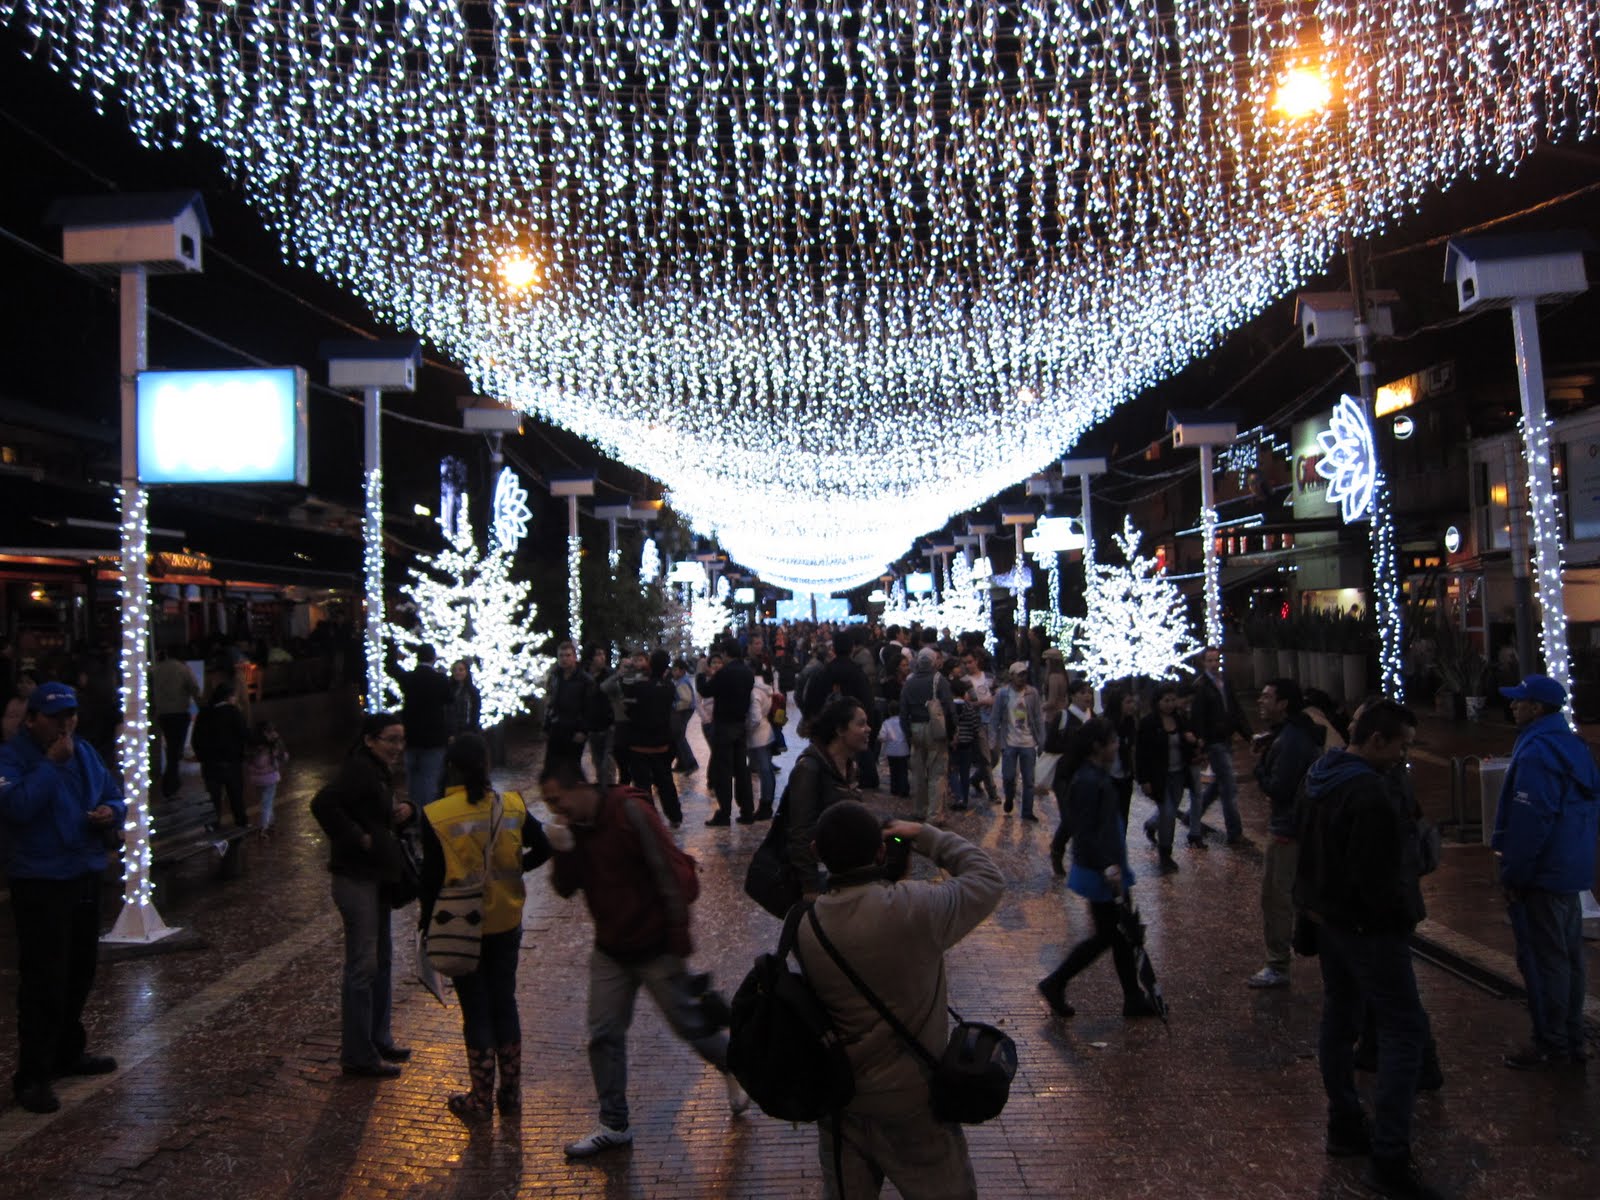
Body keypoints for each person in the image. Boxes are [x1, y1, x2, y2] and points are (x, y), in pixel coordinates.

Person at [540, 757, 749, 1158]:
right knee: (603, 1033)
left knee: (689, 1025)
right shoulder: (574, 831)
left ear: (579, 787)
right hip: (611, 948)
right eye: (548, 802)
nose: (555, 808)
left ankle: (732, 1064)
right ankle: (613, 1122)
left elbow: (667, 872)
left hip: (654, 945)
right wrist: (562, 852)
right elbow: (566, 889)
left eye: (557, 798)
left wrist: (677, 941)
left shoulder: (629, 811)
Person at [796, 801, 1004, 1199]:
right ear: (880, 851)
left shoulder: (805, 925)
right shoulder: (916, 908)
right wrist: (925, 835)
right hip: (915, 1103)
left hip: (843, 1104)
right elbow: (986, 878)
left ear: (817, 852)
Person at [1294, 701, 1441, 1200]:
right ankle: (1390, 1154)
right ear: (1378, 740)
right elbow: (1376, 878)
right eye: (1401, 746)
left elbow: (1306, 852)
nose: (1404, 756)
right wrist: (1394, 915)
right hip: (1368, 929)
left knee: (1339, 1019)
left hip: (1330, 921)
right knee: (1403, 1031)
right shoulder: (1369, 793)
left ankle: (1345, 1122)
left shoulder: (1321, 776)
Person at [0, 681, 126, 1114]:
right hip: (40, 879)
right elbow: (16, 808)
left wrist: (112, 811)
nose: (65, 724)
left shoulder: (84, 752)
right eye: (55, 717)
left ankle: (68, 1052)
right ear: (33, 719)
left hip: (83, 873)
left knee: (79, 971)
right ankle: (33, 1074)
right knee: (44, 981)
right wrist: (51, 766)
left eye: (70, 715)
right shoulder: (14, 757)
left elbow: (112, 792)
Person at [419, 734, 552, 1120]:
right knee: (504, 1001)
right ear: (487, 765)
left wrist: (427, 925)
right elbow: (544, 847)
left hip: (460, 925)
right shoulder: (511, 805)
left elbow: (430, 879)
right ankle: (510, 1095)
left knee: (475, 1010)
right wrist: (515, 872)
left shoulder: (437, 814)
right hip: (506, 919)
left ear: (451, 768)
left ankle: (479, 1099)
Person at [1492, 674, 1600, 1070]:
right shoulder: (1572, 746)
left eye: (1520, 701)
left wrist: (1514, 873)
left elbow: (1530, 820)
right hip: (1569, 870)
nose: (1513, 706)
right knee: (1568, 956)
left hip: (1543, 872)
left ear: (1537, 708)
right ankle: (1570, 1037)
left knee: (1546, 960)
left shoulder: (1538, 752)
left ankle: (1553, 1041)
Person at [309, 713, 416, 1078]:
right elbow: (323, 804)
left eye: (401, 740)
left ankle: (377, 1037)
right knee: (363, 965)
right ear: (370, 740)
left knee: (381, 960)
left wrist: (403, 812)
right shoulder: (359, 769)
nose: (397, 748)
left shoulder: (377, 769)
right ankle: (358, 1053)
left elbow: (374, 811)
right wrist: (359, 837)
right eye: (390, 739)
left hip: (378, 875)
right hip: (357, 877)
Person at [1037, 720, 1164, 1020]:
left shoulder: (1095, 777)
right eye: (1112, 742)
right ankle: (1056, 981)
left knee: (1120, 936)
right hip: (1101, 870)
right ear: (1097, 746)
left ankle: (1132, 997)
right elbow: (1085, 831)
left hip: (1109, 865)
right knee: (1109, 935)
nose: (1117, 746)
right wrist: (1107, 867)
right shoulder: (1087, 781)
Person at [1248, 678, 1324, 989]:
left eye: (1267, 697)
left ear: (1284, 704)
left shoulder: (1291, 740)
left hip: (1287, 831)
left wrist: (1259, 769)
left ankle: (1277, 963)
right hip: (1296, 827)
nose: (1260, 702)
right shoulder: (1290, 735)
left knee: (1276, 898)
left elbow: (1279, 788)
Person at [786, 695, 871, 899]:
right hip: (822, 880)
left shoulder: (850, 766)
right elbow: (800, 831)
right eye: (861, 724)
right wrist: (810, 886)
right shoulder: (809, 768)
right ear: (840, 730)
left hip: (847, 875)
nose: (868, 729)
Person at [1186, 647, 1252, 847]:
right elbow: (1198, 717)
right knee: (1228, 786)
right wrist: (1201, 743)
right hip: (1214, 742)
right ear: (1204, 663)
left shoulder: (1225, 682)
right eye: (1210, 661)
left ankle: (1191, 816)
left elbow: (1235, 709)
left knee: (1219, 785)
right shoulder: (1201, 686)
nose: (1214, 664)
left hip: (1225, 738)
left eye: (1216, 660)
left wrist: (1248, 735)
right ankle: (1235, 833)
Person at [1137, 683, 1197, 874]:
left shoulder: (1180, 720)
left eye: (1173, 700)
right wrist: (1144, 779)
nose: (1170, 704)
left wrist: (1192, 740)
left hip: (1178, 774)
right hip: (1159, 778)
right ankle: (1165, 854)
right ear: (1158, 702)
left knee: (1169, 811)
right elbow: (1142, 753)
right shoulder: (1149, 723)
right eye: (1166, 701)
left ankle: (1153, 826)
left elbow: (1189, 744)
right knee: (1169, 812)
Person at [623, 650, 685, 827]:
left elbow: (628, 706)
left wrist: (631, 672)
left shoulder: (640, 687)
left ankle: (649, 818)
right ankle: (675, 815)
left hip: (639, 744)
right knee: (665, 782)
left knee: (642, 785)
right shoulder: (669, 687)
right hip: (662, 743)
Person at [698, 640, 756, 825]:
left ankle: (724, 813)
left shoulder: (725, 673)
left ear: (725, 653)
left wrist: (700, 674)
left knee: (723, 771)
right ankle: (747, 810)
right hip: (740, 725)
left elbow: (706, 691)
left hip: (724, 726)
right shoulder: (747, 672)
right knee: (741, 769)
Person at [1047, 676, 1097, 874]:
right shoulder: (1063, 717)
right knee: (1069, 818)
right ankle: (1057, 850)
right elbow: (1049, 744)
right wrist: (1074, 746)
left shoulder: (1093, 717)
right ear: (1072, 696)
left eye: (1089, 692)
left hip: (1086, 776)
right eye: (1083, 692)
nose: (1087, 696)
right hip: (1065, 776)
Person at [899, 647, 954, 824]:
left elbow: (903, 712)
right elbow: (950, 709)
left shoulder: (909, 682)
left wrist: (908, 733)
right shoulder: (940, 680)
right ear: (933, 661)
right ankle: (935, 814)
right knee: (937, 772)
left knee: (918, 772)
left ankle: (919, 809)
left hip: (915, 728)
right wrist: (952, 732)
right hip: (935, 730)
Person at [399, 644, 454, 806]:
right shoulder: (440, 679)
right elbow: (449, 700)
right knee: (430, 779)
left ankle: (415, 812)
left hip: (412, 736)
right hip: (434, 737)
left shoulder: (408, 678)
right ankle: (427, 817)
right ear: (433, 658)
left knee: (413, 779)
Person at [191, 680, 250, 829]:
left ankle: (213, 826)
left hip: (210, 764)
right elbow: (244, 734)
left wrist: (202, 756)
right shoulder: (233, 712)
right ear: (229, 697)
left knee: (213, 797)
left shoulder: (205, 713)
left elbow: (196, 739)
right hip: (231, 762)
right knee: (235, 795)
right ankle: (241, 822)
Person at [993, 662, 1044, 819]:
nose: (1022, 678)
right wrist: (993, 740)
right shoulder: (1003, 694)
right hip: (1010, 742)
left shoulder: (1032, 694)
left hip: (1028, 742)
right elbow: (996, 718)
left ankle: (1027, 811)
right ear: (1012, 676)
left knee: (1029, 780)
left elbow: (1037, 717)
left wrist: (1041, 740)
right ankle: (1009, 797)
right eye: (1019, 675)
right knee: (1008, 776)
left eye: (1024, 675)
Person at [151, 646, 201, 798]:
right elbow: (194, 689)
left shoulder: (156, 670)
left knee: (172, 746)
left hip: (162, 714)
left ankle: (171, 781)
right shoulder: (183, 669)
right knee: (176, 748)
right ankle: (170, 782)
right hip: (179, 712)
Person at [543, 641, 597, 774]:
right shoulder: (555, 677)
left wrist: (583, 730)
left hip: (574, 729)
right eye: (561, 656)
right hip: (556, 727)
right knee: (552, 767)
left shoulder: (585, 680)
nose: (564, 659)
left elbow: (589, 708)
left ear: (574, 657)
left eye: (567, 655)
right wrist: (546, 725)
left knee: (572, 769)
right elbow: (551, 702)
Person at [244, 720, 289, 836]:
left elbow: (248, 762)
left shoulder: (252, 746)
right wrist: (279, 741)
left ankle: (271, 822)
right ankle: (264, 826)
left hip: (255, 779)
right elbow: (283, 757)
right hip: (270, 778)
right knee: (267, 803)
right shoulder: (272, 745)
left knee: (266, 801)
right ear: (267, 732)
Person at [747, 663, 778, 821]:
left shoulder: (753, 692)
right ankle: (768, 802)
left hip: (757, 736)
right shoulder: (766, 688)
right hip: (767, 731)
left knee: (764, 770)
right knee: (767, 771)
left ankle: (766, 805)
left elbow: (755, 718)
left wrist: (746, 729)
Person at [669, 658, 699, 773]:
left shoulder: (682, 683)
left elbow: (686, 700)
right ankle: (682, 763)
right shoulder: (681, 681)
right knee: (679, 737)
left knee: (679, 737)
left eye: (676, 670)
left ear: (682, 671)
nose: (673, 672)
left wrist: (675, 706)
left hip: (683, 711)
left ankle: (690, 763)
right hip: (684, 710)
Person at [447, 658, 482, 740]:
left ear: (466, 672)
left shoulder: (473, 691)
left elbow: (475, 713)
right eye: (455, 670)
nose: (457, 672)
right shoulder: (448, 690)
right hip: (450, 732)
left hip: (468, 732)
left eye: (461, 670)